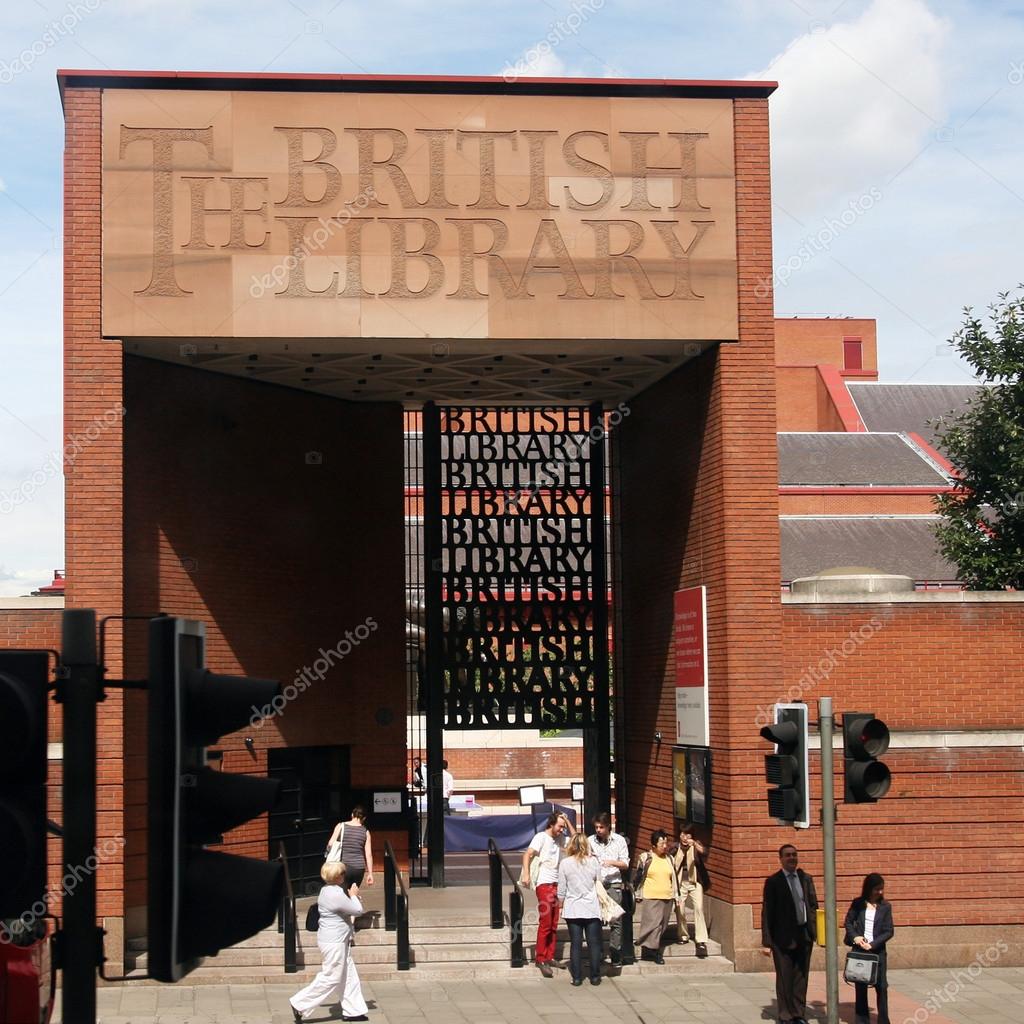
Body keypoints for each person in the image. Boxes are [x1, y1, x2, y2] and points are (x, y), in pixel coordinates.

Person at [289, 861, 368, 1023]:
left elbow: (347, 907)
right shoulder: (335, 894)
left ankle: (353, 1010)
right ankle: (300, 1003)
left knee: (348, 975)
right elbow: (358, 910)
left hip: (337, 939)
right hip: (334, 941)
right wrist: (353, 895)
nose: (345, 875)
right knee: (332, 976)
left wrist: (351, 898)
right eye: (343, 873)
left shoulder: (327, 890)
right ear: (338, 876)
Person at [761, 844, 818, 1024]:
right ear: (781, 859)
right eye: (788, 855)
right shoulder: (773, 882)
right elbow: (767, 912)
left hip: (804, 935)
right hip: (782, 939)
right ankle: (785, 1016)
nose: (792, 858)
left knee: (801, 977)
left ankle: (798, 1014)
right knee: (785, 978)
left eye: (794, 855)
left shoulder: (806, 879)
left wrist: (816, 931)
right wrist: (767, 942)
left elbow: (813, 905)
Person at [520, 810, 575, 977]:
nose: (562, 830)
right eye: (560, 826)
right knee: (546, 921)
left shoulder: (561, 839)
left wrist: (567, 821)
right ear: (551, 824)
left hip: (557, 883)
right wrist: (527, 874)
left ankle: (550, 956)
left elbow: (576, 839)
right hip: (544, 883)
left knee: (554, 922)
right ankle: (541, 958)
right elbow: (528, 854)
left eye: (563, 827)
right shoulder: (541, 837)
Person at [844, 873, 893, 1024]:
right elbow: (848, 922)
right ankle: (862, 1020)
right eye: (877, 889)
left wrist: (873, 944)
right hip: (860, 950)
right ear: (869, 888)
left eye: (882, 889)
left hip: (877, 952)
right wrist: (856, 937)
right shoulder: (858, 904)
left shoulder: (886, 906)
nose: (880, 892)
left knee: (882, 987)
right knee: (861, 986)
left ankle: (883, 1020)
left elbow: (889, 931)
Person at [557, 831, 604, 986]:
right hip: (591, 907)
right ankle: (595, 976)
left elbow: (561, 888)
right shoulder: (593, 862)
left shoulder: (565, 863)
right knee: (594, 943)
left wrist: (560, 904)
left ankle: (577, 977)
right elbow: (599, 881)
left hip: (573, 908)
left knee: (575, 943)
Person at [587, 812, 629, 964]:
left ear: (608, 827)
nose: (598, 830)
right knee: (595, 920)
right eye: (596, 827)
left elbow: (625, 864)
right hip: (597, 884)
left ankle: (615, 952)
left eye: (601, 827)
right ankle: (597, 954)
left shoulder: (619, 841)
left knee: (615, 919)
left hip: (613, 883)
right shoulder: (590, 840)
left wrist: (611, 862)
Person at [632, 829, 679, 964]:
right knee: (654, 924)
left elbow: (674, 878)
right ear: (653, 845)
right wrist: (636, 893)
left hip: (667, 896)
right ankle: (655, 952)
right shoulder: (646, 858)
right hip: (651, 895)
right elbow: (639, 877)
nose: (665, 846)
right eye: (661, 844)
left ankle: (646, 944)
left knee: (663, 925)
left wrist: (677, 896)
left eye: (666, 843)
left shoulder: (669, 859)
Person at [672, 823, 710, 958]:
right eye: (682, 834)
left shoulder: (695, 846)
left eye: (687, 835)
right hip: (680, 883)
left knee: (698, 908)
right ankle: (683, 935)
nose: (685, 837)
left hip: (695, 882)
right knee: (680, 909)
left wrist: (694, 844)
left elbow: (705, 853)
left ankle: (701, 940)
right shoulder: (675, 847)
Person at [326, 806, 374, 888]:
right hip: (359, 868)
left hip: (343, 866)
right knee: (353, 892)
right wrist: (370, 873)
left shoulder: (341, 826)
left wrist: (328, 853)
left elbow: (330, 843)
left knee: (341, 892)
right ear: (364, 818)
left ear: (352, 815)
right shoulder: (366, 832)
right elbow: (368, 854)